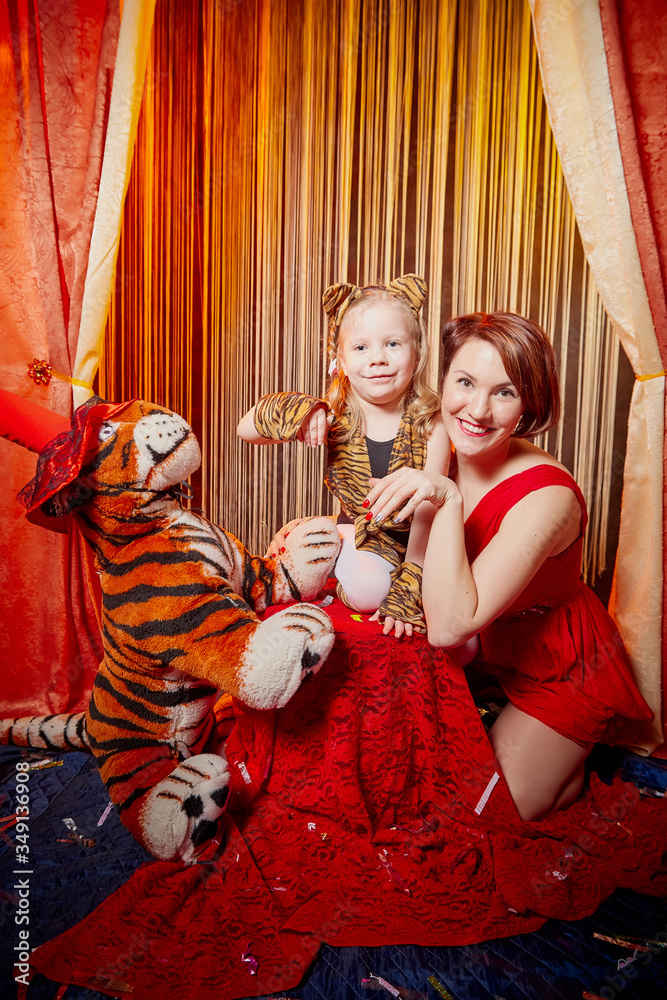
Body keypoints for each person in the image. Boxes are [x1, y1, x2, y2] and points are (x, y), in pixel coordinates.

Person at [364, 311, 654, 822]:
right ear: (443, 379)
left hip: (559, 668)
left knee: (485, 817)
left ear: (528, 405)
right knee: (386, 776)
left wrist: (448, 499)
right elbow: (378, 529)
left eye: (505, 392)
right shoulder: (435, 451)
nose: (477, 409)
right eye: (466, 382)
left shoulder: (548, 499)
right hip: (484, 652)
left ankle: (565, 767)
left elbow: (451, 626)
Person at [237, 274, 450, 637]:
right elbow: (246, 429)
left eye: (393, 344)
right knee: (369, 593)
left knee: (465, 641)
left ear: (418, 352)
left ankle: (326, 540)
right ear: (341, 360)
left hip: (422, 540)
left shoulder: (432, 424)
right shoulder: (336, 418)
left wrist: (412, 579)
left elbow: (428, 513)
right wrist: (302, 409)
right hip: (366, 535)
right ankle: (338, 541)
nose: (378, 359)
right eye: (361, 348)